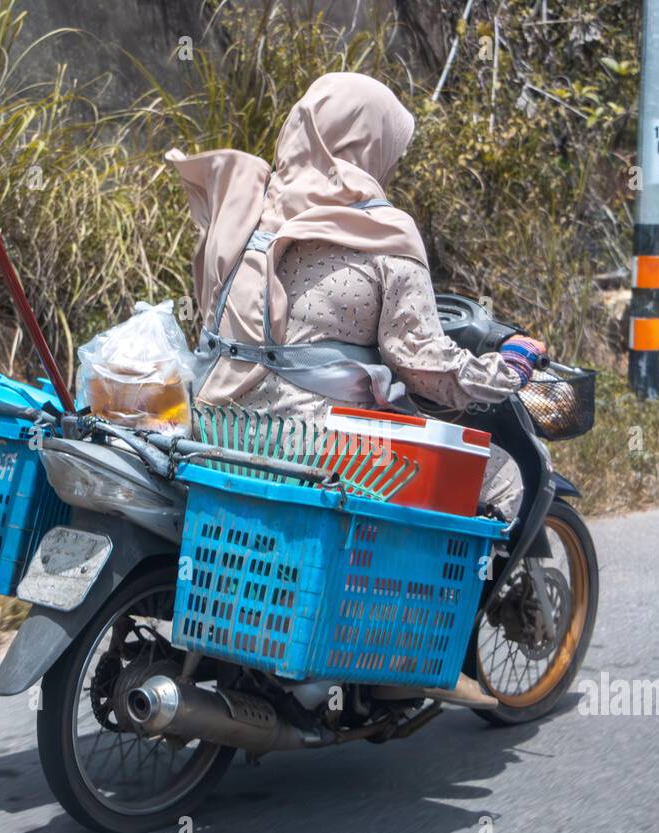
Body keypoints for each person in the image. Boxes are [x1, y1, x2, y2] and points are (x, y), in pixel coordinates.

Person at [167, 71, 546, 524]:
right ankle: (419, 593)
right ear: (370, 146)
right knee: (501, 476)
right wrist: (508, 369)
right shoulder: (383, 233)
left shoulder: (241, 205)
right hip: (308, 445)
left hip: (212, 427)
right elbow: (425, 367)